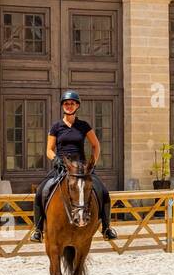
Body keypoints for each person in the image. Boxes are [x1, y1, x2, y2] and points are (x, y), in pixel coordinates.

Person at [28, 90, 117, 242]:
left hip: (81, 169)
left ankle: (107, 228)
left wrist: (92, 164)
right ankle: (38, 230)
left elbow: (96, 145)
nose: (69, 106)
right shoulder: (56, 127)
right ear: (63, 106)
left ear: (77, 106)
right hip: (62, 167)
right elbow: (49, 150)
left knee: (103, 190)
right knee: (42, 191)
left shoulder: (83, 126)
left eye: (72, 103)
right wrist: (55, 159)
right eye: (66, 103)